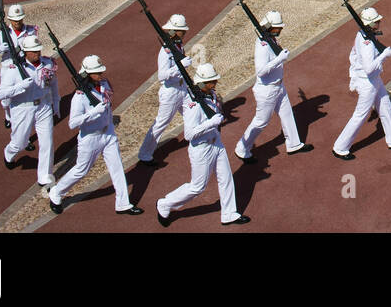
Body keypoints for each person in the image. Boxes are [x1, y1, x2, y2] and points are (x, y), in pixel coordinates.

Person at [48, 54, 143, 216]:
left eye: (101, 71)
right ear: (87, 74)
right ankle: (56, 192)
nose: (100, 75)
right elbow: (73, 123)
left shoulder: (104, 85)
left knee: (117, 167)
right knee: (81, 170)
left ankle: (123, 203)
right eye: (96, 72)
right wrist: (92, 113)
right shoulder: (79, 97)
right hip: (90, 138)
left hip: (108, 133)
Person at [156, 63, 250, 227]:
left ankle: (229, 213)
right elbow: (189, 134)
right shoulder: (194, 105)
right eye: (211, 82)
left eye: (214, 81)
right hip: (202, 148)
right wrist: (211, 123)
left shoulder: (210, 95)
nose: (214, 84)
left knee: (226, 178)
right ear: (201, 83)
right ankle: (165, 203)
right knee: (197, 187)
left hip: (216, 142)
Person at [332, 7, 391, 160]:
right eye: (377, 21)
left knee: (385, 105)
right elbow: (368, 68)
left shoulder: (362, 34)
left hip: (374, 79)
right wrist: (384, 56)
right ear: (371, 24)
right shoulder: (367, 42)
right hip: (368, 82)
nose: (379, 23)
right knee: (360, 114)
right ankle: (340, 147)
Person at [235, 11, 313, 163]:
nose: (280, 30)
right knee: (261, 121)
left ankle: (293, 144)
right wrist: (279, 60)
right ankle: (242, 147)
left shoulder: (271, 39)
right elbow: (261, 71)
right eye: (277, 27)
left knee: (287, 114)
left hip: (278, 85)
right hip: (267, 90)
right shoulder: (263, 45)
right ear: (269, 27)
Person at [0, 33, 58, 191]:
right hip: (22, 108)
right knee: (20, 143)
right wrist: (20, 87)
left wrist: (56, 102)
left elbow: (53, 83)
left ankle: (44, 176)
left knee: (47, 142)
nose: (37, 53)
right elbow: (1, 93)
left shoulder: (47, 64)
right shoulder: (14, 69)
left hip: (43, 107)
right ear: (25, 52)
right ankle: (9, 153)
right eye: (33, 51)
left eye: (38, 50)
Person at [138, 13, 191, 166]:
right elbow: (162, 75)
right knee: (161, 123)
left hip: (182, 88)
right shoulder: (165, 51)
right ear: (174, 31)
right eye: (182, 30)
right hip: (171, 92)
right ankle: (145, 154)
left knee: (192, 113)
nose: (184, 33)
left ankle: (196, 138)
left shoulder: (178, 45)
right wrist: (181, 67)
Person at [0, 3, 37, 129]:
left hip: (24, 67)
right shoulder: (1, 33)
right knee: (6, 99)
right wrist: (0, 48)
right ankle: (8, 115)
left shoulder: (31, 30)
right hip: (8, 69)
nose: (17, 22)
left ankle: (22, 126)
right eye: (14, 20)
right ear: (10, 20)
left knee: (25, 97)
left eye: (19, 19)